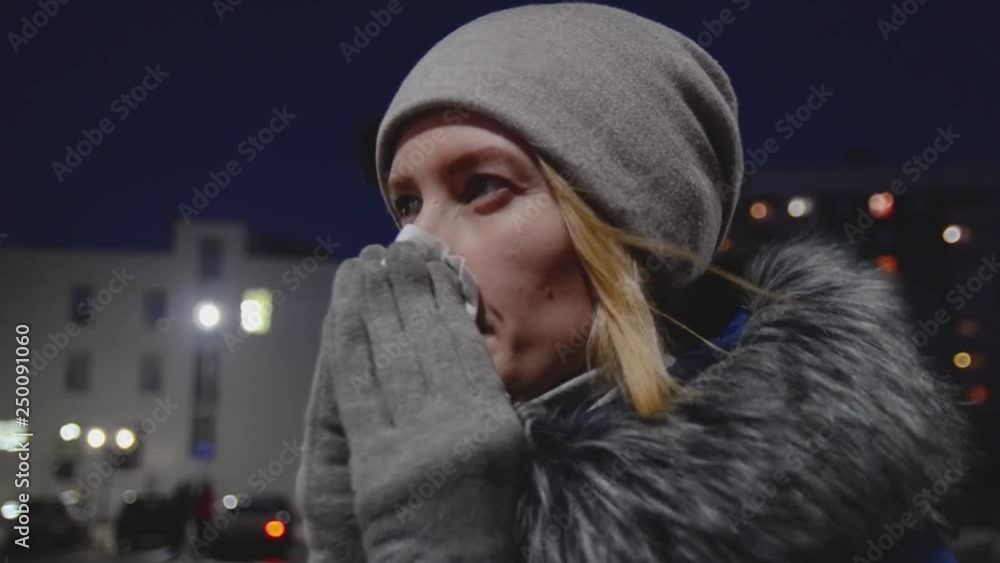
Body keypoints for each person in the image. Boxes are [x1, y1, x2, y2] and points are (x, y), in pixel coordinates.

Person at [295, 4, 971, 562]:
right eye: (406, 205)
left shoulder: (852, 530)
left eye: (483, 187)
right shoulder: (432, 480)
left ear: (626, 229)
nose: (415, 250)